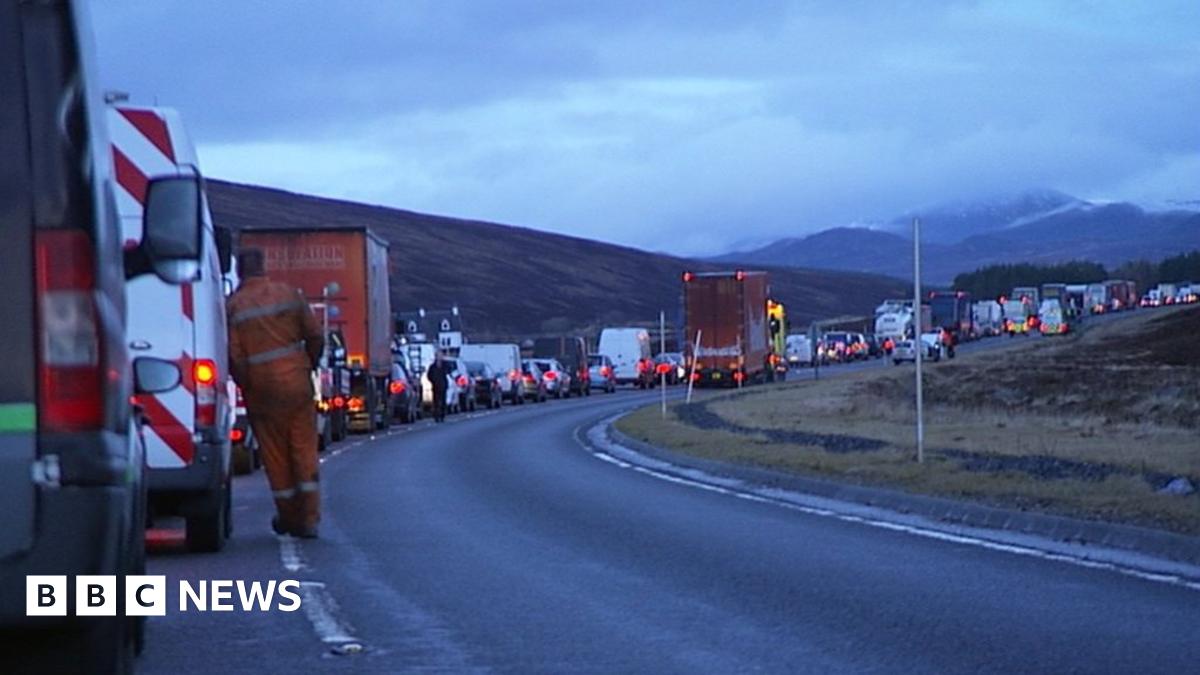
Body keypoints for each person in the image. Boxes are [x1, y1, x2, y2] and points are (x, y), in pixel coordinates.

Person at [227, 249, 324, 538]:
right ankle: (308, 519)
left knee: (276, 458)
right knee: (304, 451)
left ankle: (289, 517)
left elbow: (235, 356)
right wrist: (308, 364)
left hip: (262, 393)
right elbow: (315, 336)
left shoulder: (234, 306)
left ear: (241, 272)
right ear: (263, 267)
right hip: (297, 385)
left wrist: (246, 384)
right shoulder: (289, 294)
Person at [425, 352, 451, 423]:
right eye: (438, 356)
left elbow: (449, 371)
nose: (440, 357)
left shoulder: (445, 365)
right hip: (435, 386)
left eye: (441, 356)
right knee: (436, 401)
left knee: (443, 401)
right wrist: (433, 381)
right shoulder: (432, 366)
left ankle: (442, 415)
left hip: (443, 385)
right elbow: (429, 375)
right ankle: (436, 416)